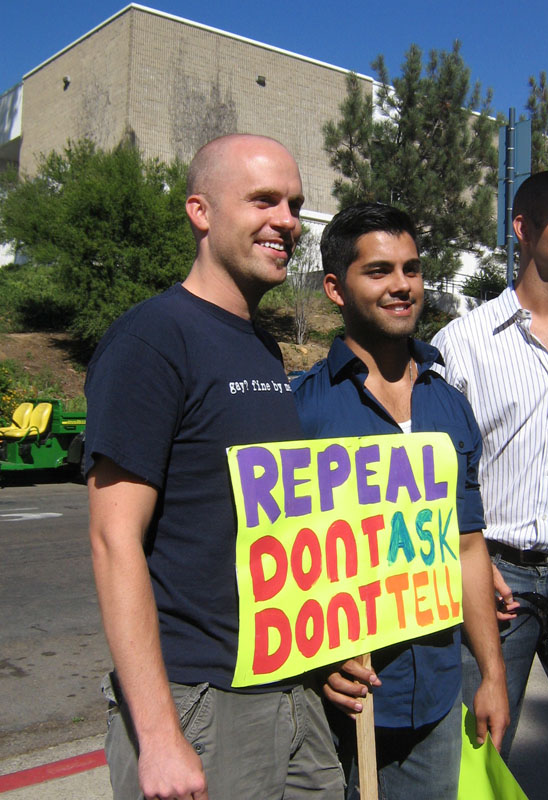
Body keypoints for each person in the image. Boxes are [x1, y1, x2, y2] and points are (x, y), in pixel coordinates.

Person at [85, 133, 344, 800]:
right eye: (263, 199)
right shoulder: (153, 339)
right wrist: (162, 734)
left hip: (290, 688)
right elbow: (115, 541)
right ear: (201, 212)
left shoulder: (259, 345)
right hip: (200, 699)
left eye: (294, 204)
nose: (287, 220)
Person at [292, 203, 509, 799]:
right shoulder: (301, 410)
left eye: (411, 269)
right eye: (380, 271)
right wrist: (315, 663)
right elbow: (276, 567)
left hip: (436, 700)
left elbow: (468, 547)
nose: (402, 286)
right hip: (336, 710)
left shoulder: (450, 405)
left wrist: (490, 674)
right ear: (335, 288)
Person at [431, 171, 548, 798]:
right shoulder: (465, 344)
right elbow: (435, 470)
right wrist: (465, 558)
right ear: (523, 230)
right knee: (479, 741)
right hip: (495, 578)